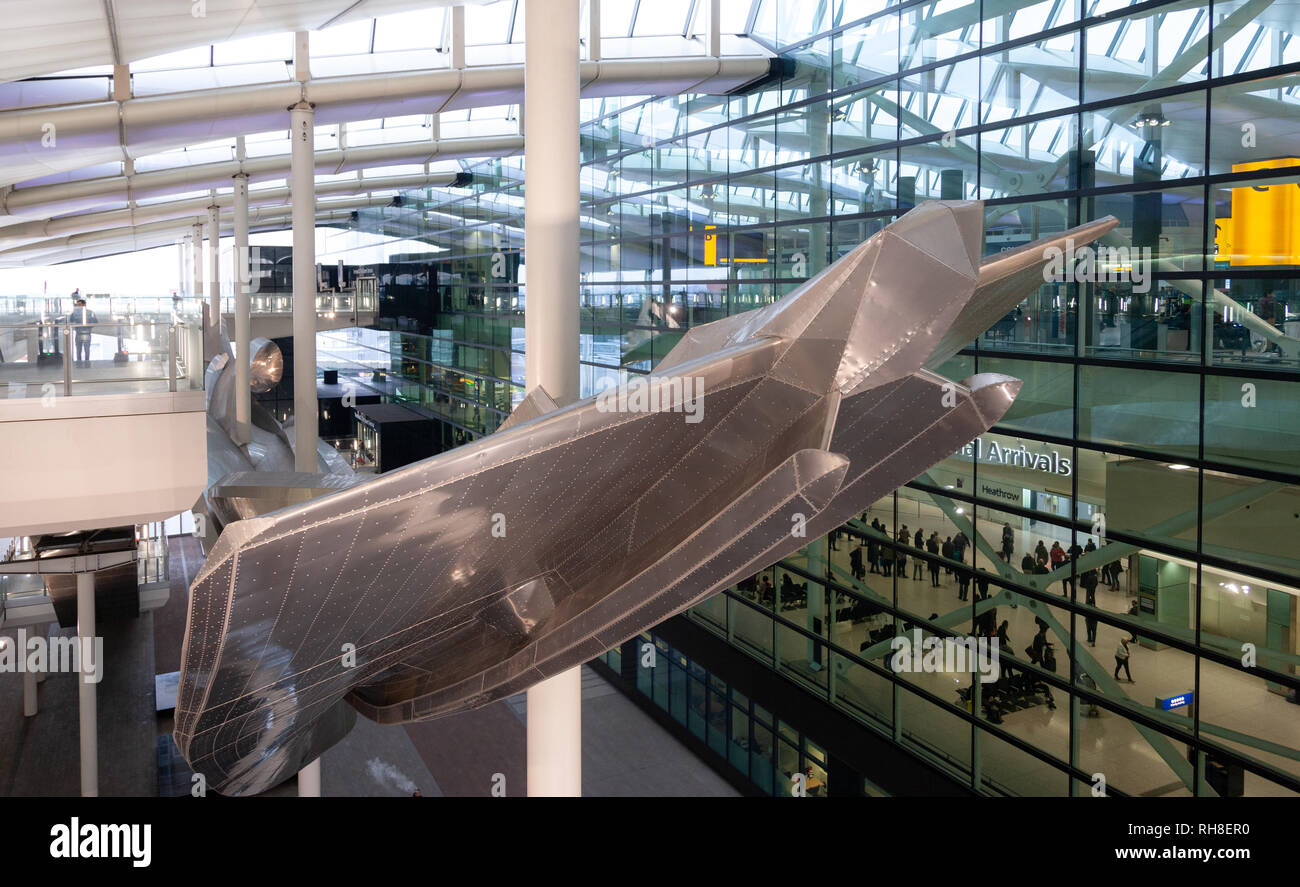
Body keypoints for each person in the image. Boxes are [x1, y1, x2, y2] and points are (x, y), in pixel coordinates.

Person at [69, 297, 97, 367]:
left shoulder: (90, 312)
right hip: (80, 333)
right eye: (77, 305)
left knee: (85, 349)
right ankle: (80, 363)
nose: (78, 306)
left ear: (84, 305)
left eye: (79, 304)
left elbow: (95, 322)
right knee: (79, 349)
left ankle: (85, 363)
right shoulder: (89, 312)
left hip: (85, 333)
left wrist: (88, 327)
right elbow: (71, 321)